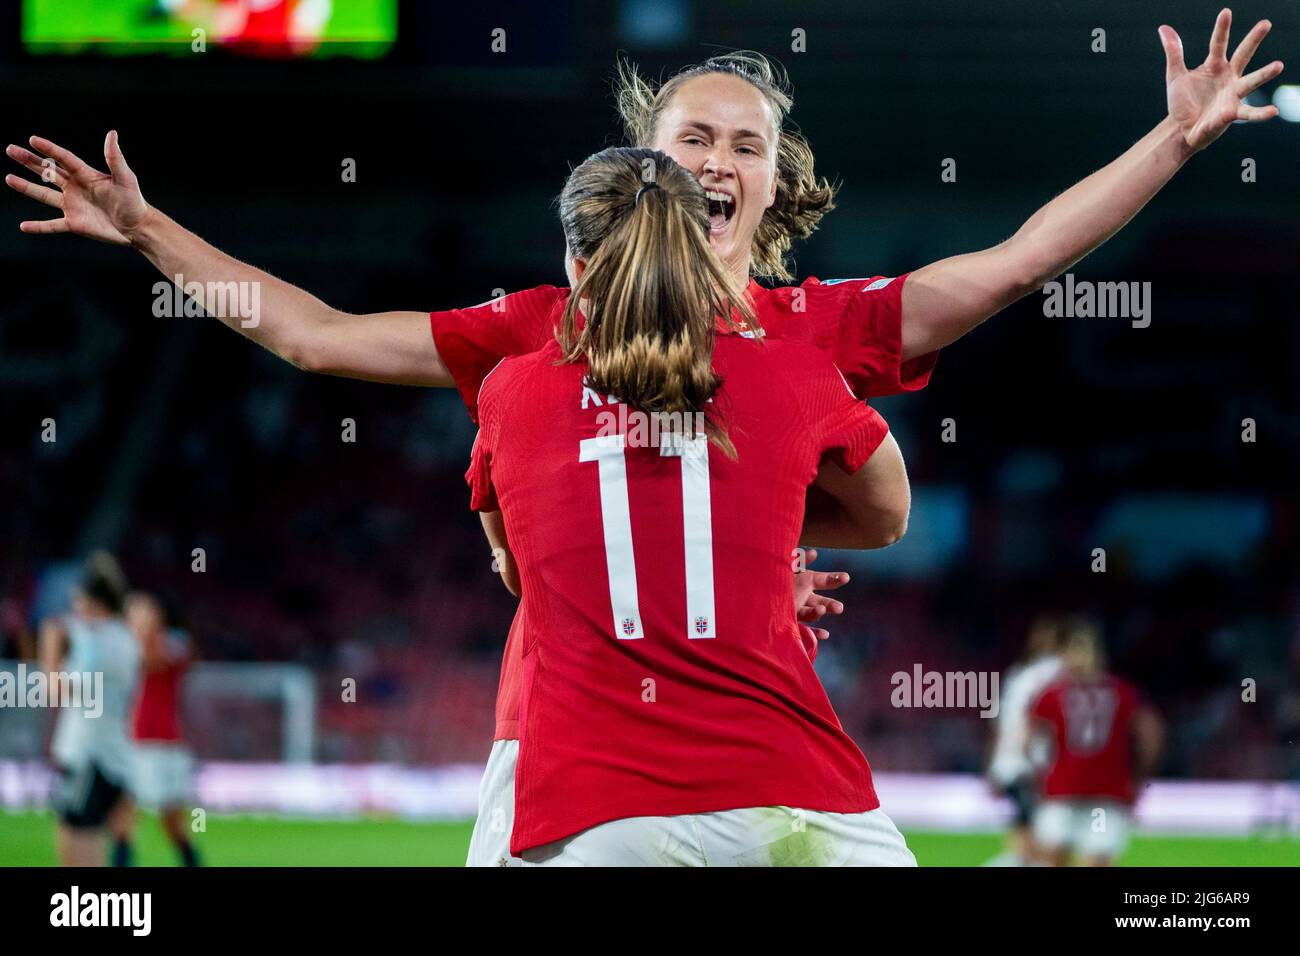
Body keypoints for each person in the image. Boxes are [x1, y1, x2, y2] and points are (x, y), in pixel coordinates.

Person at [5, 10, 1280, 862]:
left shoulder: (813, 327)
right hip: (554, 740)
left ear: (775, 184)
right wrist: (154, 233)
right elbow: (318, 336)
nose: (720, 155)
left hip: (740, 744)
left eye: (748, 143)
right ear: (646, 164)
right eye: (693, 135)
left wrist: (1171, 138)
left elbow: (1012, 264)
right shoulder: (536, 323)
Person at [468, 145, 914, 865]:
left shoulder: (509, 392)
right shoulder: (797, 373)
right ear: (703, 261)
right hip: (788, 793)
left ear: (575, 268)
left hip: (590, 808)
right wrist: (752, 560)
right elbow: (888, 515)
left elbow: (523, 573)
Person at [1027, 618, 1165, 866]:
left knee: (1051, 859)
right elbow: (1151, 734)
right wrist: (1138, 777)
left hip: (1062, 788)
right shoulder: (1122, 691)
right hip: (1108, 792)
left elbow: (1030, 740)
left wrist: (1038, 775)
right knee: (1097, 861)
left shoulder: (1052, 694)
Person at [39, 552, 140, 867]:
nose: (74, 609)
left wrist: (50, 646)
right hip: (105, 755)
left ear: (94, 602)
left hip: (91, 758)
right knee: (77, 834)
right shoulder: (119, 639)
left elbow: (54, 690)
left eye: (78, 601)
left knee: (79, 849)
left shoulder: (101, 644)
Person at [108, 592, 203, 867]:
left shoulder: (175, 641)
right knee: (123, 815)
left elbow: (154, 660)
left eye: (142, 610)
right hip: (135, 741)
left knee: (173, 823)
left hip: (167, 744)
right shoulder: (126, 644)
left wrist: (138, 632)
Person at [984, 615, 1066, 866]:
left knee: (1031, 832)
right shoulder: (1039, 674)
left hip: (1023, 764)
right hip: (1028, 765)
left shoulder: (1027, 674)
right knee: (1040, 839)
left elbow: (1006, 723)